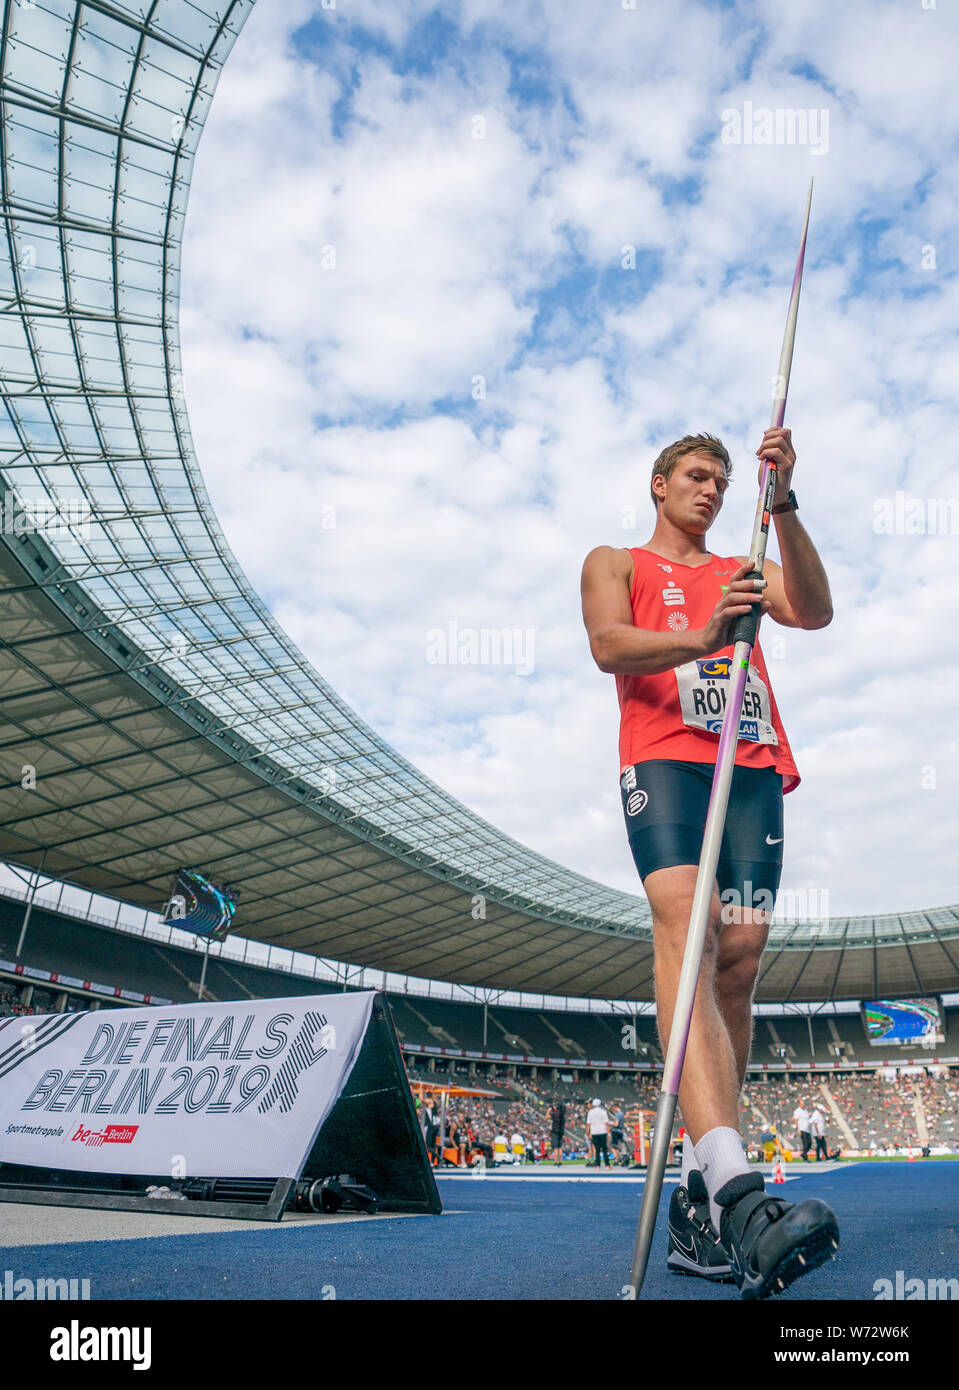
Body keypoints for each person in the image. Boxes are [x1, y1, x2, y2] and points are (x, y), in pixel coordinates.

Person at [581, 430, 839, 1297]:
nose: (710, 491)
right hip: (665, 755)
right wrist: (700, 637)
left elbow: (813, 610)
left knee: (739, 959)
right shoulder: (613, 559)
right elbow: (610, 646)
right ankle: (733, 1185)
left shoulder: (744, 560)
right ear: (658, 485)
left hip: (751, 757)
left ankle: (697, 1197)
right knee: (686, 927)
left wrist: (784, 501)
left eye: (723, 482)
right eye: (696, 477)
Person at [586, 1098, 611, 1168]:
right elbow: (606, 1123)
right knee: (604, 1149)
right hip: (603, 1131)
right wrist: (609, 1133)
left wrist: (588, 1133)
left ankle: (597, 1165)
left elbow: (588, 1124)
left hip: (594, 1132)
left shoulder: (590, 1112)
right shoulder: (603, 1112)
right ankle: (607, 1165)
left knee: (596, 1149)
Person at [548, 1099, 566, 1163]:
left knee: (556, 1148)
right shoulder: (562, 1114)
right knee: (560, 1147)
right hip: (561, 1132)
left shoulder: (555, 1114)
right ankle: (560, 1161)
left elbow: (546, 1117)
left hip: (555, 1131)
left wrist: (549, 1111)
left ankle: (555, 1161)